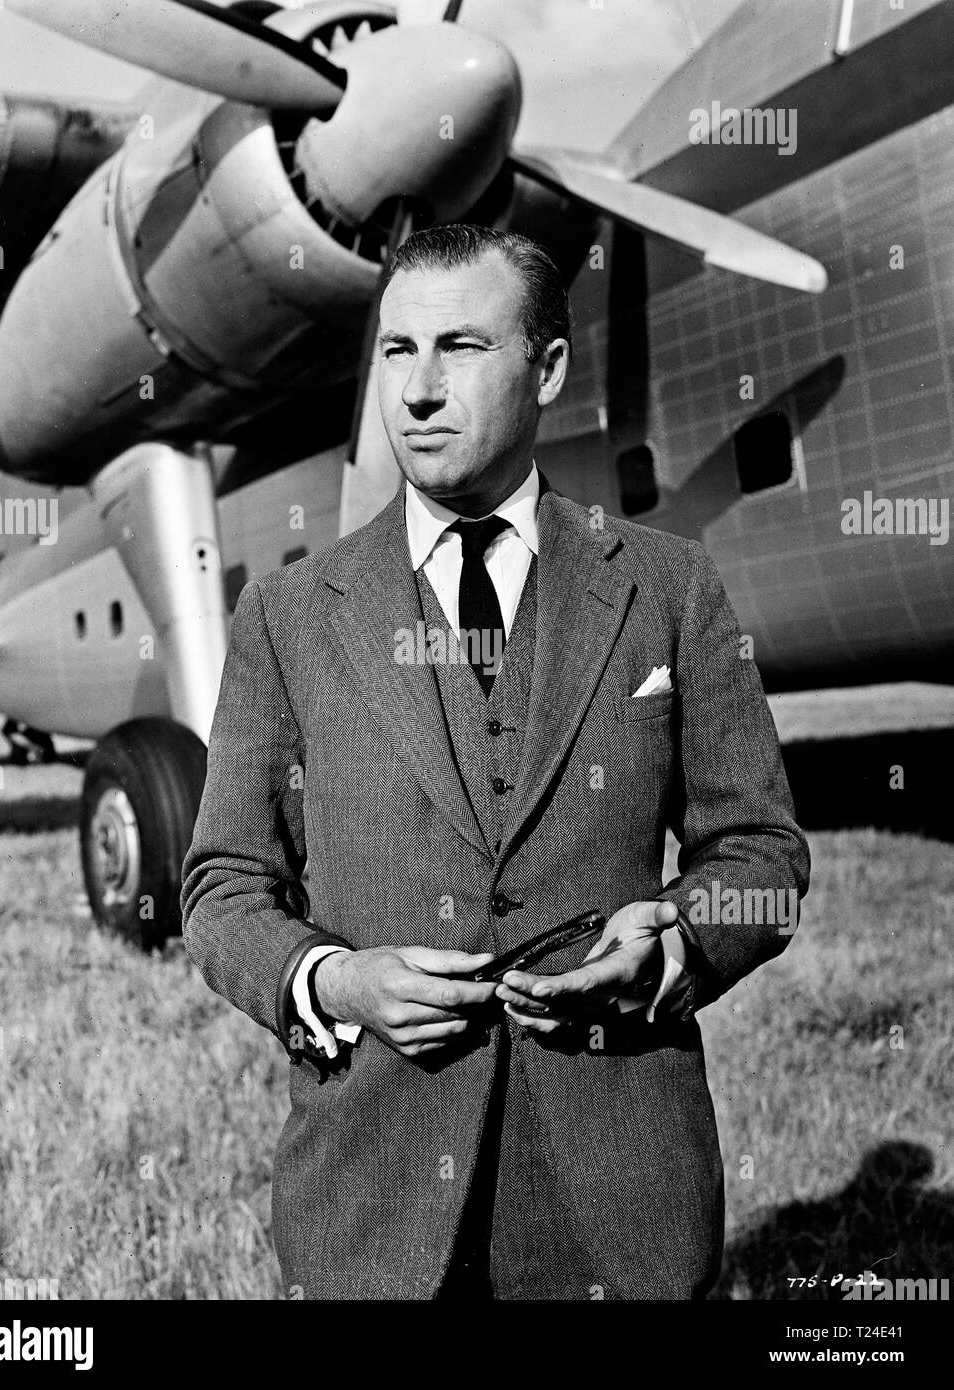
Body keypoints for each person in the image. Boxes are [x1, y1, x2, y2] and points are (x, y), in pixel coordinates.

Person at [181, 224, 810, 1300]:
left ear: (547, 368)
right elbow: (222, 888)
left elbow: (762, 856)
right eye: (394, 350)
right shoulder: (287, 615)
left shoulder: (669, 587)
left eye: (462, 347)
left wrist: (673, 946)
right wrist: (333, 979)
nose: (418, 390)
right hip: (373, 1210)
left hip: (622, 1204)